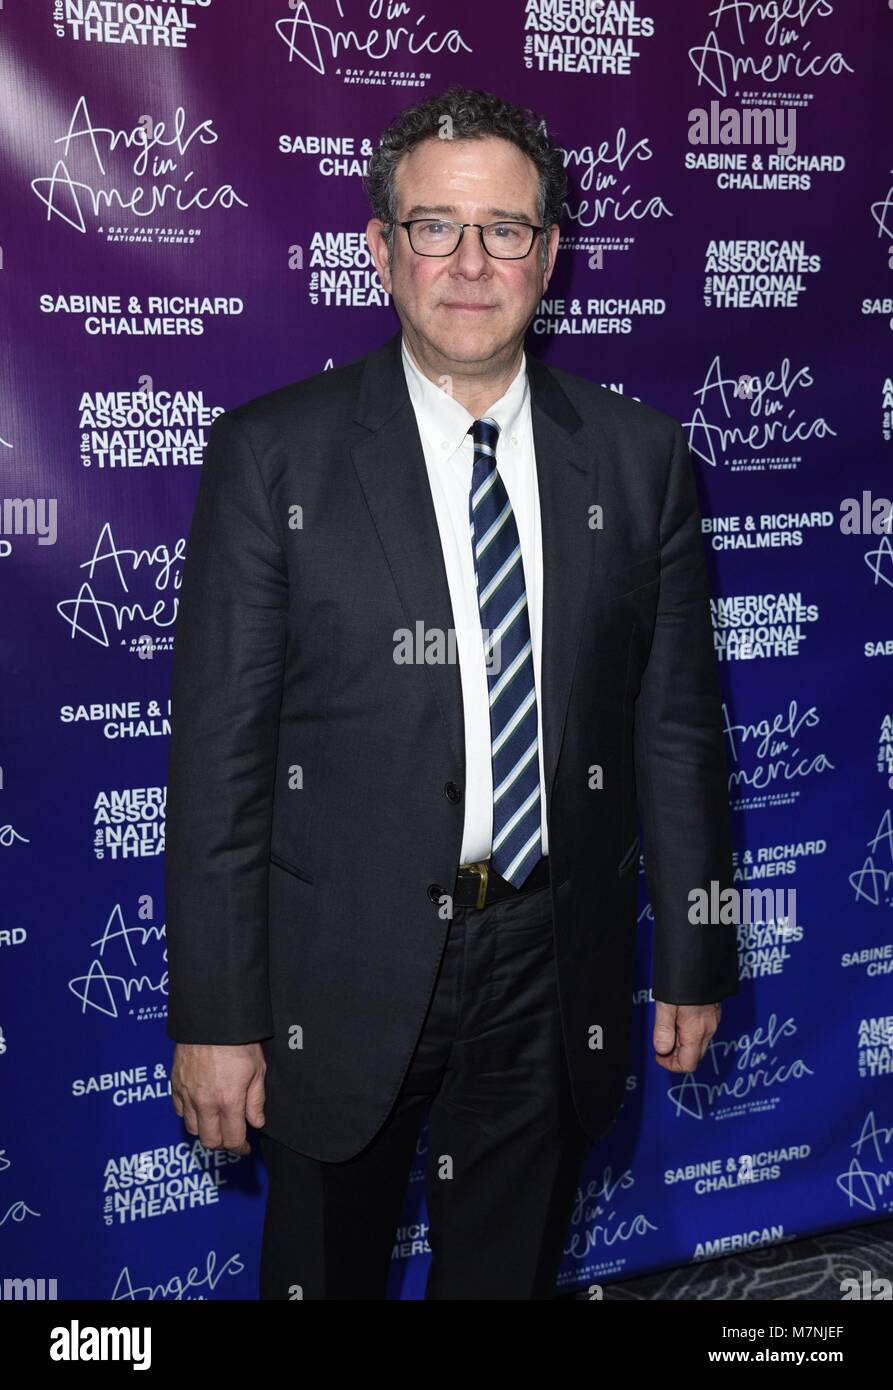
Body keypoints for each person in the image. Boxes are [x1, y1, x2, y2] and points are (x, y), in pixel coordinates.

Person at [164, 84, 739, 1300]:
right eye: (434, 227)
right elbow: (220, 761)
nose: (469, 264)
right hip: (338, 969)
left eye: (505, 230)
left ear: (550, 253)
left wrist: (696, 948)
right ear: (381, 249)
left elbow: (675, 727)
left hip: (547, 955)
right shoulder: (273, 455)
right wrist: (215, 1015)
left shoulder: (638, 460)